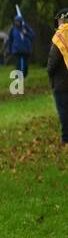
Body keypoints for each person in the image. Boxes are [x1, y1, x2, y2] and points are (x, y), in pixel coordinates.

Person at [48, 8, 68, 144]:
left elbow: (52, 63)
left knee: (64, 111)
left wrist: (49, 73)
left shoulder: (60, 37)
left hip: (61, 82)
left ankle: (66, 138)